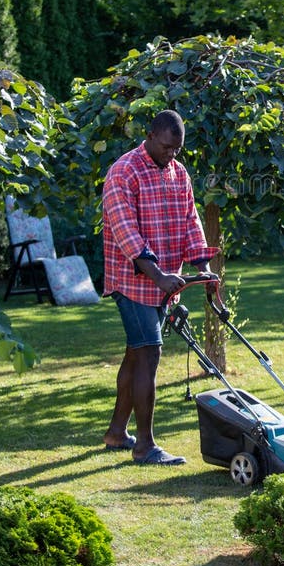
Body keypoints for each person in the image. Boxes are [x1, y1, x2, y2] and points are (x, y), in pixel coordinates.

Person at [102, 109, 217, 465]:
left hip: (165, 284)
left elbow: (190, 223)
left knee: (135, 355)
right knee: (149, 353)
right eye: (167, 147)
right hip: (131, 282)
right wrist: (160, 277)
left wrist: (204, 268)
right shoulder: (124, 172)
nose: (172, 155)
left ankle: (117, 433)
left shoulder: (178, 173)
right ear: (150, 136)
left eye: (177, 150)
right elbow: (126, 234)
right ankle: (145, 446)